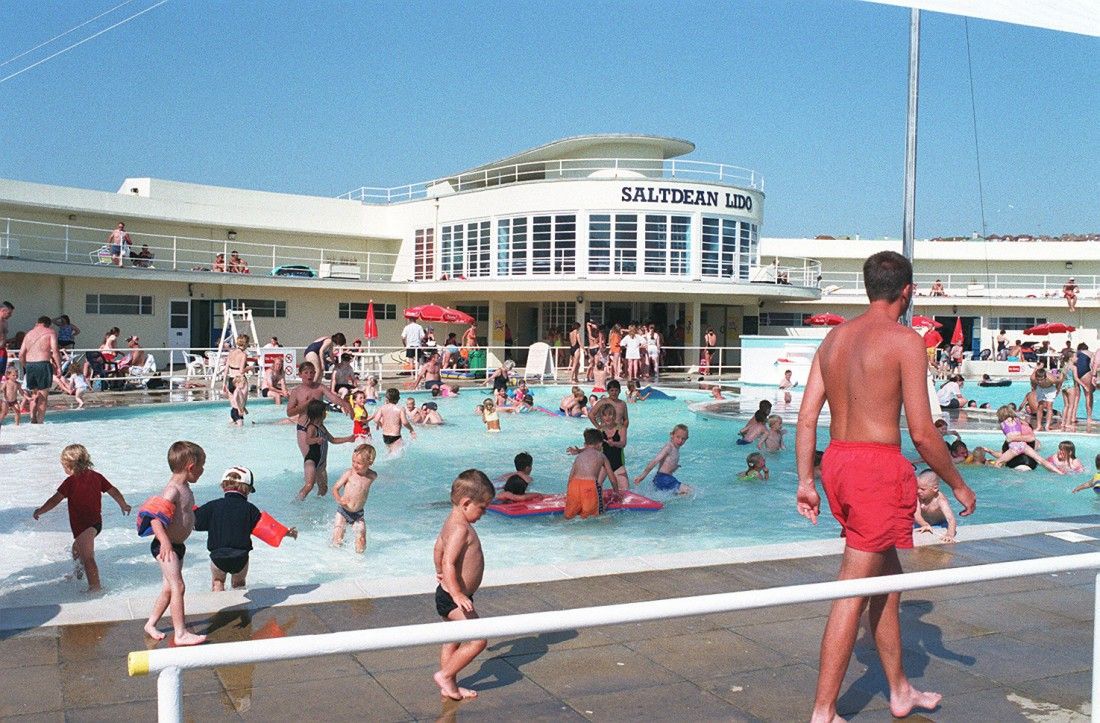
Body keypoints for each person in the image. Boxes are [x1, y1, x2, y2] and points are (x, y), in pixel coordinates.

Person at [795, 251, 975, 721]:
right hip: (874, 469)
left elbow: (807, 416)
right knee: (851, 590)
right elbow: (921, 431)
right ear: (907, 290)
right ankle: (824, 711)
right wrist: (958, 484)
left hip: (836, 463)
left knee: (888, 582)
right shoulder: (905, 342)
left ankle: (899, 690)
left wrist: (804, 482)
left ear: (868, 286)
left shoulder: (834, 339)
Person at [433, 469, 495, 700]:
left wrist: (438, 571)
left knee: (452, 639)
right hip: (454, 598)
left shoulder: (451, 522)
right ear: (466, 502)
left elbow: (438, 548)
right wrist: (458, 593)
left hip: (448, 594)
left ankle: (449, 685)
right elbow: (449, 561)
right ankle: (445, 675)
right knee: (479, 639)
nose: (484, 513)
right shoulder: (460, 528)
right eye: (483, 508)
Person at [33, 444, 130, 592]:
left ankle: (95, 588)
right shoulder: (97, 476)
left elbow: (55, 500)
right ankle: (78, 574)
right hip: (95, 523)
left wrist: (40, 510)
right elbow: (114, 491)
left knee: (88, 558)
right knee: (76, 549)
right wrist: (123, 504)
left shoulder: (70, 482)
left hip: (84, 525)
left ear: (68, 465)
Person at [141, 440, 208, 645]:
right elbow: (154, 519)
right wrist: (165, 543)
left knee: (169, 588)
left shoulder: (185, 486)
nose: (203, 470)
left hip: (176, 546)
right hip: (165, 547)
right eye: (202, 466)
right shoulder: (173, 490)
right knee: (178, 586)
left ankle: (150, 624)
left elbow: (185, 514)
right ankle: (180, 634)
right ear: (190, 467)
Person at [194, 466, 298, 591]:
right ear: (247, 490)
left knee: (218, 582)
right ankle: (240, 607)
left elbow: (193, 522)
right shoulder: (250, 509)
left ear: (223, 486)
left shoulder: (212, 506)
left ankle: (220, 606)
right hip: (240, 557)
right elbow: (268, 528)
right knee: (239, 584)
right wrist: (287, 532)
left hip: (218, 556)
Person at [287, 360, 352, 471]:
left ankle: (321, 486)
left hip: (319, 428)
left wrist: (346, 404)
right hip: (304, 429)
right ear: (300, 374)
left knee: (321, 462)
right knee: (310, 460)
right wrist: (305, 404)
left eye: (312, 372)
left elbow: (334, 398)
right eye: (306, 372)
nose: (309, 375)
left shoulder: (320, 388)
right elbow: (289, 412)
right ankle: (310, 483)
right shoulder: (296, 391)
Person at [298, 399, 356, 500]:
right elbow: (307, 440)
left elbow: (333, 440)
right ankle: (297, 502)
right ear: (319, 414)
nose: (326, 413)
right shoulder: (312, 427)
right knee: (309, 485)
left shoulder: (322, 427)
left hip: (321, 464)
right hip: (311, 461)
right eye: (325, 411)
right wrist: (316, 439)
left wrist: (348, 439)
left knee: (323, 488)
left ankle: (318, 505)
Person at [331, 444, 377, 553]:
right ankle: (334, 558)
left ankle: (359, 562)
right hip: (343, 511)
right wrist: (339, 499)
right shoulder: (349, 473)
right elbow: (335, 488)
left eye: (359, 463)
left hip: (358, 514)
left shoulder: (372, 476)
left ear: (369, 462)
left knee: (361, 540)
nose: (355, 465)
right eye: (353, 462)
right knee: (337, 538)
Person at [989, 405, 1063, 473]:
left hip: (1014, 448)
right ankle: (1059, 473)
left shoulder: (1002, 423)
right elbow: (1025, 424)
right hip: (1023, 445)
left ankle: (1000, 477)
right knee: (1041, 460)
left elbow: (1008, 434)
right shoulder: (1017, 420)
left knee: (998, 463)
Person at [565, 428, 617, 519]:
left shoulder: (579, 456)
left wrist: (568, 493)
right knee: (597, 516)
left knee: (569, 517)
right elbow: (612, 478)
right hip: (590, 486)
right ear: (600, 444)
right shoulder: (601, 456)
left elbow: (570, 477)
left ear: (585, 444)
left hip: (574, 486)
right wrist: (616, 492)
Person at [19, 316, 62, 424]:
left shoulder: (28, 334)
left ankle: (32, 418)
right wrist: (59, 367)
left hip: (30, 365)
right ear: (48, 324)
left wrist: (25, 366)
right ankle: (40, 422)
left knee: (34, 394)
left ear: (37, 323)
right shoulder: (50, 332)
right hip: (42, 364)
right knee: (43, 396)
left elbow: (21, 354)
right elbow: (55, 350)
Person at [634, 423, 692, 494]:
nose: (680, 441)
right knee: (689, 491)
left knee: (688, 488)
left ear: (687, 439)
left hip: (663, 479)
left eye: (683, 439)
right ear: (671, 435)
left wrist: (675, 467)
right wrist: (642, 476)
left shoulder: (676, 449)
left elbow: (668, 466)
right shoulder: (669, 447)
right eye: (678, 437)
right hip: (663, 478)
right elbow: (655, 461)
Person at [913, 470, 957, 543]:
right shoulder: (917, 497)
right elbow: (916, 515)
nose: (918, 491)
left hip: (940, 524)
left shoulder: (940, 500)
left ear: (935, 488)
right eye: (917, 487)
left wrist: (949, 534)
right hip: (921, 523)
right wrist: (924, 524)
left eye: (923, 489)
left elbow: (951, 519)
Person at [370, 387, 416, 452]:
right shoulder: (400, 409)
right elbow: (405, 422)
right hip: (395, 436)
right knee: (399, 455)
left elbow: (375, 420)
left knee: (389, 453)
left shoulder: (382, 407)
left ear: (387, 398)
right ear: (398, 398)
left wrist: (381, 425)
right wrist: (411, 430)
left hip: (385, 436)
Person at [596, 402, 629, 491]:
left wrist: (614, 443)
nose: (608, 417)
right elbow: (593, 446)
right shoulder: (599, 430)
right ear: (601, 417)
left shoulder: (622, 428)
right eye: (605, 415)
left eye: (610, 414)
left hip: (618, 464)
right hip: (604, 465)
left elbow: (623, 443)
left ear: (614, 415)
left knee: (625, 491)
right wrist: (580, 451)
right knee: (596, 488)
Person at [1031, 365, 1060, 431]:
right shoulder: (1033, 377)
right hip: (1040, 388)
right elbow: (1032, 383)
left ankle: (1047, 425)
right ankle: (1039, 425)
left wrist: (1057, 391)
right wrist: (1034, 388)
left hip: (1050, 389)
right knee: (1040, 406)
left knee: (1049, 406)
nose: (1040, 381)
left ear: (1045, 377)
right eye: (1038, 380)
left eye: (1041, 380)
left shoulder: (1051, 379)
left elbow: (1059, 382)